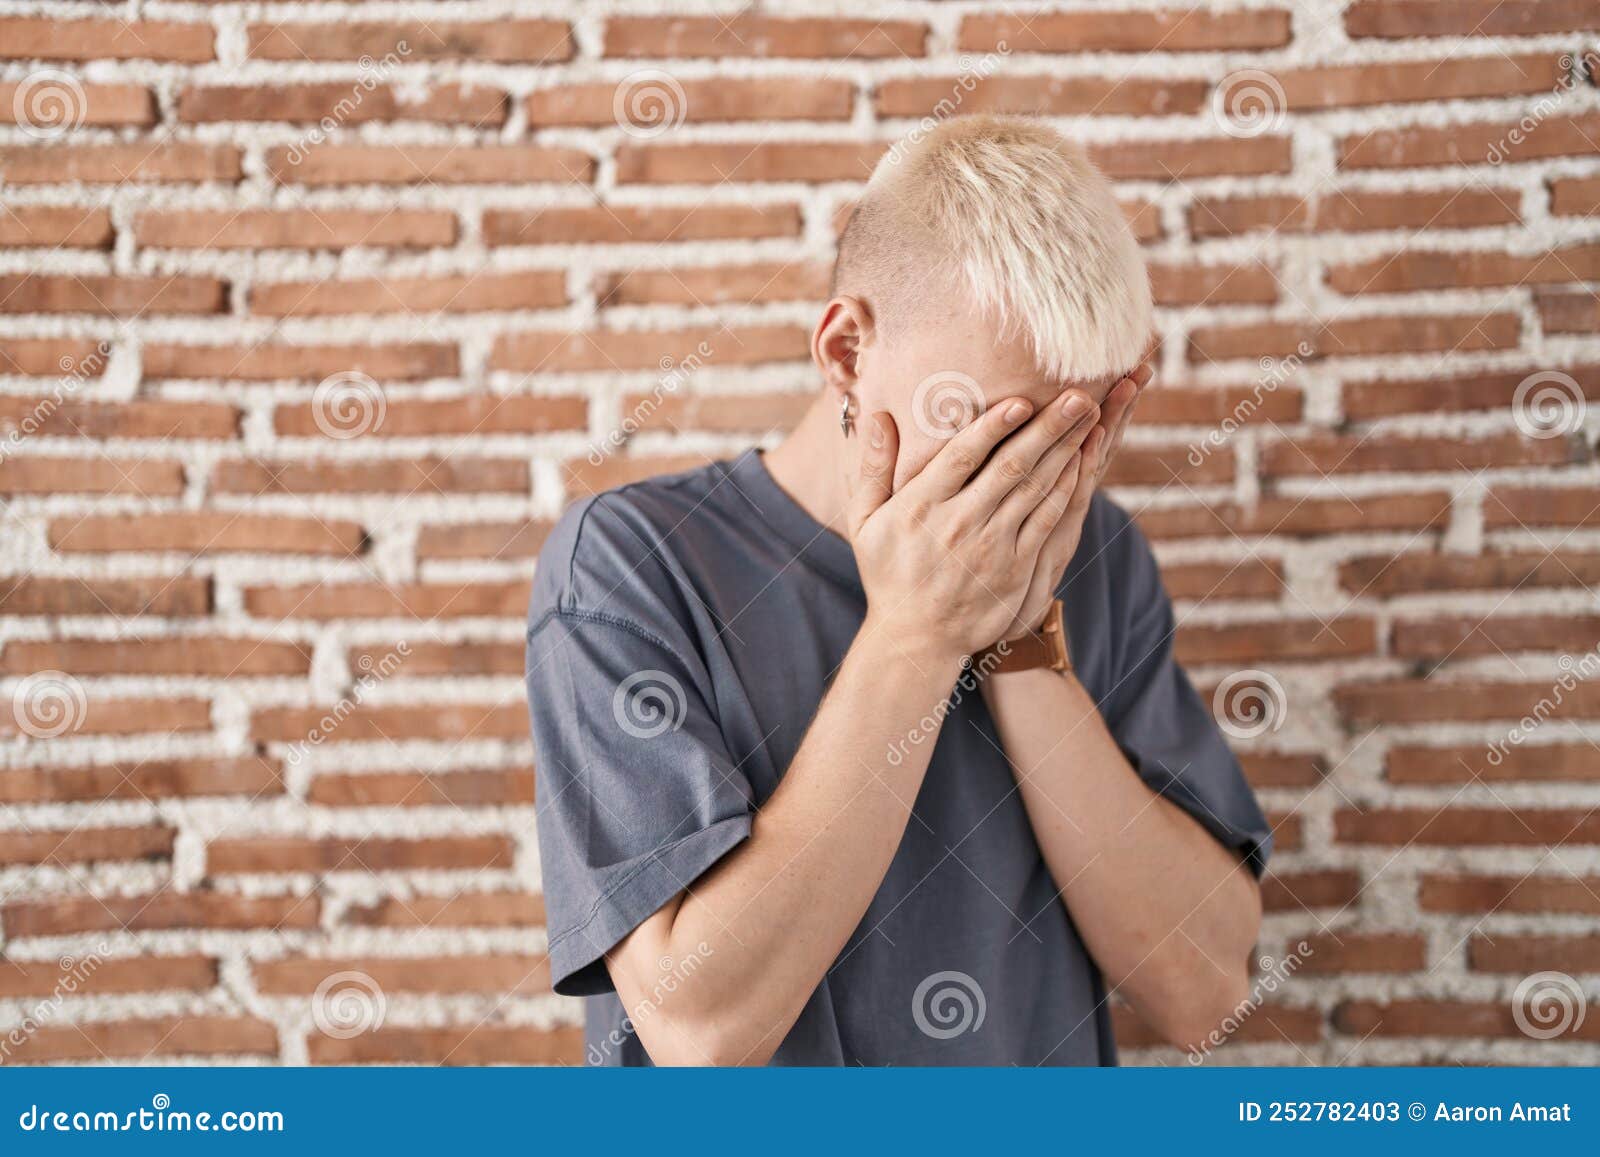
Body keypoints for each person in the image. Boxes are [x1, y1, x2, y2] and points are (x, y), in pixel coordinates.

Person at [525, 114, 1270, 1066]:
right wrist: (917, 635)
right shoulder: (630, 565)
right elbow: (702, 1032)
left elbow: (1204, 988)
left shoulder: (1099, 552)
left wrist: (1021, 641)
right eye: (995, 434)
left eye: (1072, 440)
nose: (1032, 492)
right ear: (846, 353)